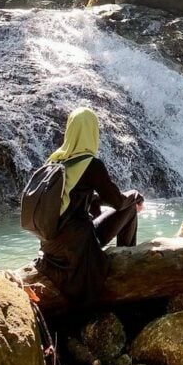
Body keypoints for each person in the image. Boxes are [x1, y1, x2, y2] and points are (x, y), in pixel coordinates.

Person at [37, 106, 144, 307]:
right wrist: (135, 196)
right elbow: (118, 202)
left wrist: (97, 202)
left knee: (114, 207)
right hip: (76, 247)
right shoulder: (91, 164)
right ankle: (128, 262)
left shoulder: (53, 162)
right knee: (129, 208)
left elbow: (74, 196)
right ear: (92, 132)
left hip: (50, 246)